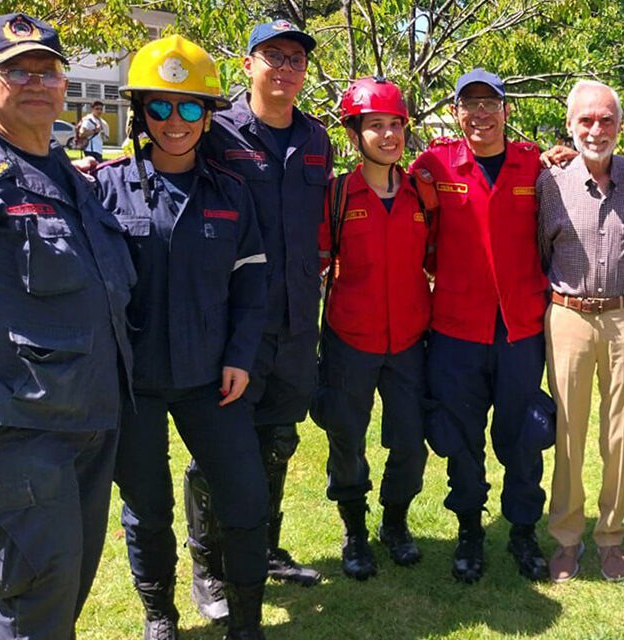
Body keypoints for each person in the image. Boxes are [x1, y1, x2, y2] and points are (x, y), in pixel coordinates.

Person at [96, 35, 269, 640]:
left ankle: (246, 618)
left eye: (190, 107)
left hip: (211, 380)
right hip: (134, 382)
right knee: (146, 509)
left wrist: (242, 359)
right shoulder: (104, 191)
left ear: (208, 116)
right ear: (141, 111)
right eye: (161, 107)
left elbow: (253, 289)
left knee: (245, 499)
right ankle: (159, 615)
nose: (175, 121)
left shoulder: (231, 194)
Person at [0, 13, 135, 639]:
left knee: (63, 592)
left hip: (91, 421)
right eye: (18, 70)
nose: (38, 82)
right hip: (19, 431)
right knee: (36, 602)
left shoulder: (68, 174)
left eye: (48, 70)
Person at [187, 19, 331, 623]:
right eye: (273, 55)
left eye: (296, 58)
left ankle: (263, 549)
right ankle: (208, 567)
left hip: (298, 324)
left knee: (277, 444)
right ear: (248, 64)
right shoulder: (215, 132)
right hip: (232, 327)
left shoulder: (317, 138)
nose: (286, 67)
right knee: (218, 454)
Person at [411, 68, 552, 584]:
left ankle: (522, 531)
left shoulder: (535, 164)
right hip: (454, 329)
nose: (481, 114)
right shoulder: (433, 165)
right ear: (455, 112)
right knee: (460, 437)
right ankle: (469, 529)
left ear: (506, 111)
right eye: (469, 104)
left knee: (523, 436)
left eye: (490, 103)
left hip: (518, 329)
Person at [311, 77, 431, 581]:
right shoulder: (336, 196)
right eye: (375, 126)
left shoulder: (422, 195)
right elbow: (314, 264)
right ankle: (355, 531)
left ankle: (395, 523)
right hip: (349, 341)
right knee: (347, 440)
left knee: (409, 441)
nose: (387, 135)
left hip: (409, 341)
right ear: (354, 135)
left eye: (395, 125)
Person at [538, 80, 624, 583]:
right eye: (585, 120)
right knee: (568, 432)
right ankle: (566, 537)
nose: (595, 129)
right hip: (567, 315)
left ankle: (612, 536)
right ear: (569, 125)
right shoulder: (550, 181)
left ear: (620, 126)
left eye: (606, 119)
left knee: (621, 433)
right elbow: (537, 250)